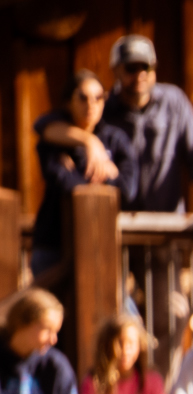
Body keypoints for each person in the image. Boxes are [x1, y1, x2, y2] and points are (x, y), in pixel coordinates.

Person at [35, 36, 193, 349]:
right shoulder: (102, 107)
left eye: (146, 67)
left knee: (172, 312)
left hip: (161, 231)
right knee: (111, 311)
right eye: (131, 68)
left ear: (154, 70)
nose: (139, 75)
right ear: (117, 70)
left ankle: (157, 390)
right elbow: (46, 127)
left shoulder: (174, 103)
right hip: (111, 231)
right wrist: (89, 141)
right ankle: (121, 388)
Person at [29, 71, 136, 281]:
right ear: (68, 102)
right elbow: (65, 184)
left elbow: (127, 189)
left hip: (100, 245)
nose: (91, 104)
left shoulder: (116, 139)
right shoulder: (53, 139)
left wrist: (82, 173)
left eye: (99, 97)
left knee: (121, 309)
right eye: (83, 97)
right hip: (54, 243)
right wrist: (102, 170)